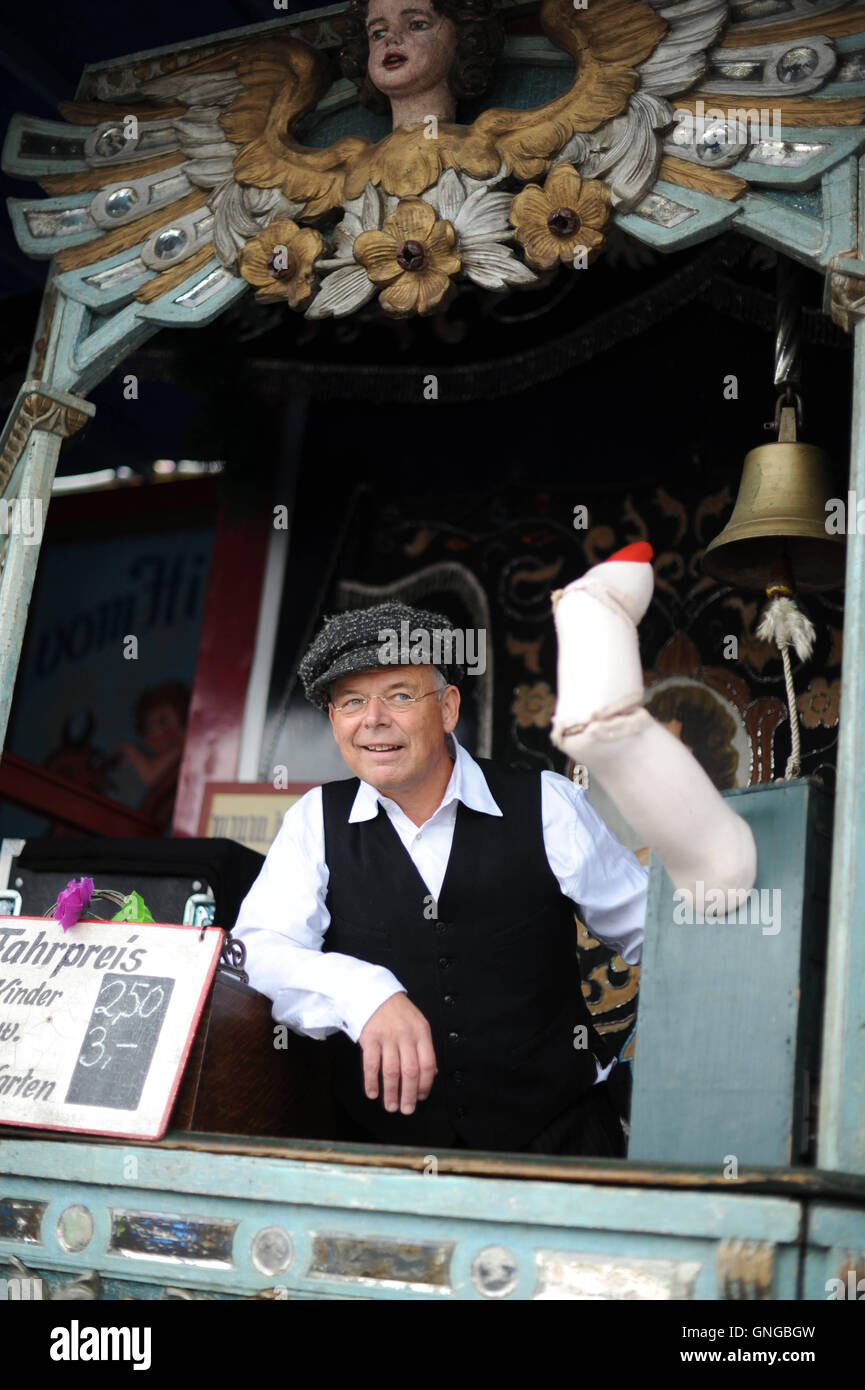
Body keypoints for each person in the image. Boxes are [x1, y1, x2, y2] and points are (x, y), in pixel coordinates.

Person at [233, 597, 647, 1158]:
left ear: (448, 708)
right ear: (334, 723)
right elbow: (256, 952)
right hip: (382, 1161)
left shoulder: (547, 804)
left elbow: (657, 935)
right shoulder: (314, 820)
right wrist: (364, 992)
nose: (373, 719)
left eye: (400, 696)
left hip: (557, 1145)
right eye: (351, 701)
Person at [339, 0, 503, 130]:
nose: (392, 39)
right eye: (378, 33)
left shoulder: (481, 143)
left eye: (417, 25)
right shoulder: (352, 157)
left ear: (463, 38)